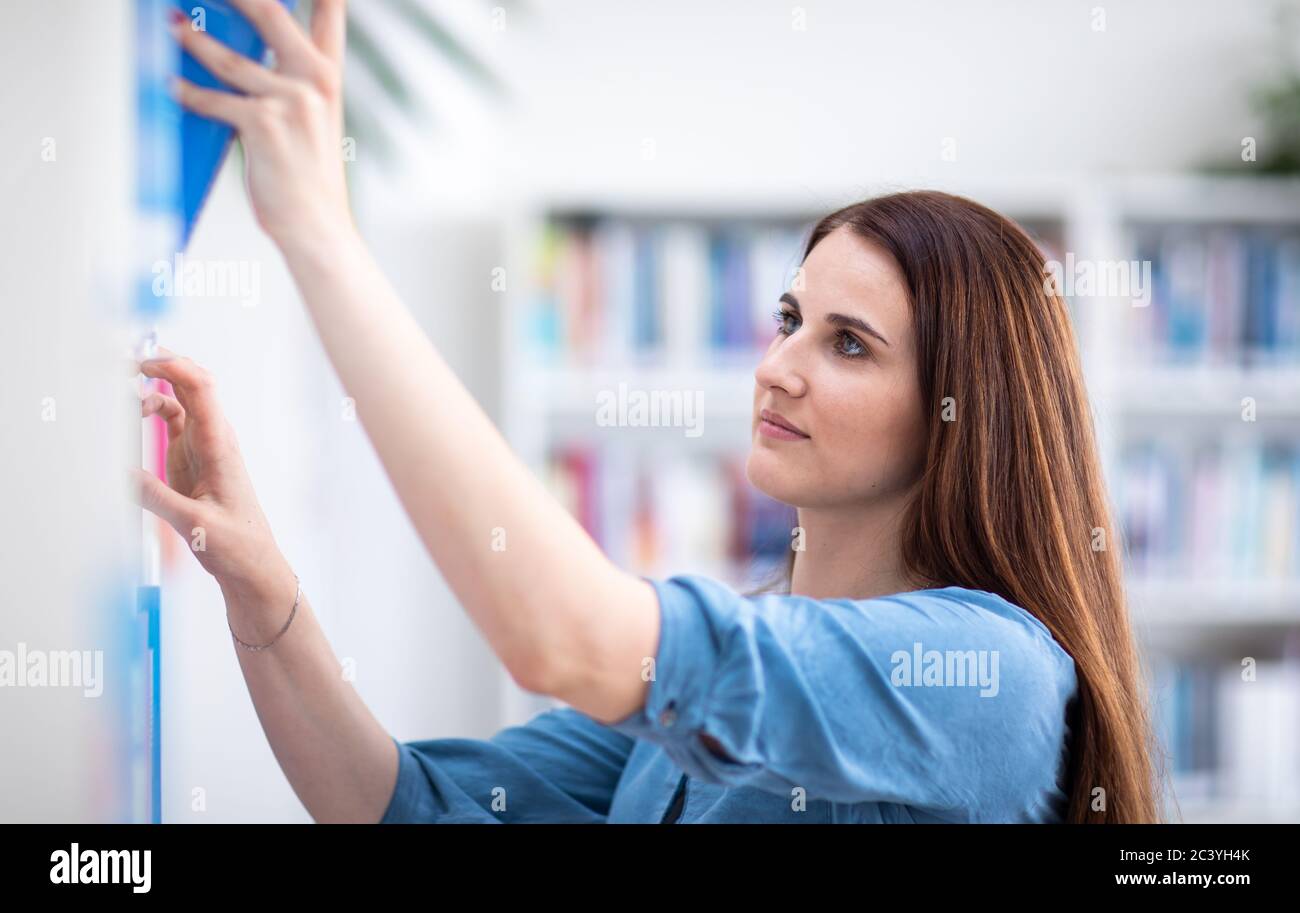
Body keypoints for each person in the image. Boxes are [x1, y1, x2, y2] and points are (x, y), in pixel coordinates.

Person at [135, 0, 1162, 823]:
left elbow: (561, 638)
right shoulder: (735, 664)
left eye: (848, 344)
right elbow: (409, 803)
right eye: (789, 318)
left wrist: (320, 234)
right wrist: (262, 591)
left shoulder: (988, 674)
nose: (778, 367)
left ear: (961, 411)